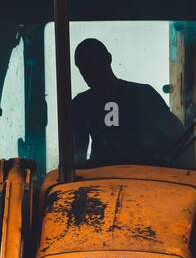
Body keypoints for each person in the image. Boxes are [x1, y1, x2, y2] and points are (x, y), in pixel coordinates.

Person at [71, 38, 184, 167]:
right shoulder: (80, 104)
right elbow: (75, 156)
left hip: (147, 176)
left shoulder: (144, 95)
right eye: (81, 65)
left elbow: (178, 136)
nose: (86, 70)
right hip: (101, 179)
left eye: (90, 61)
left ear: (108, 59)